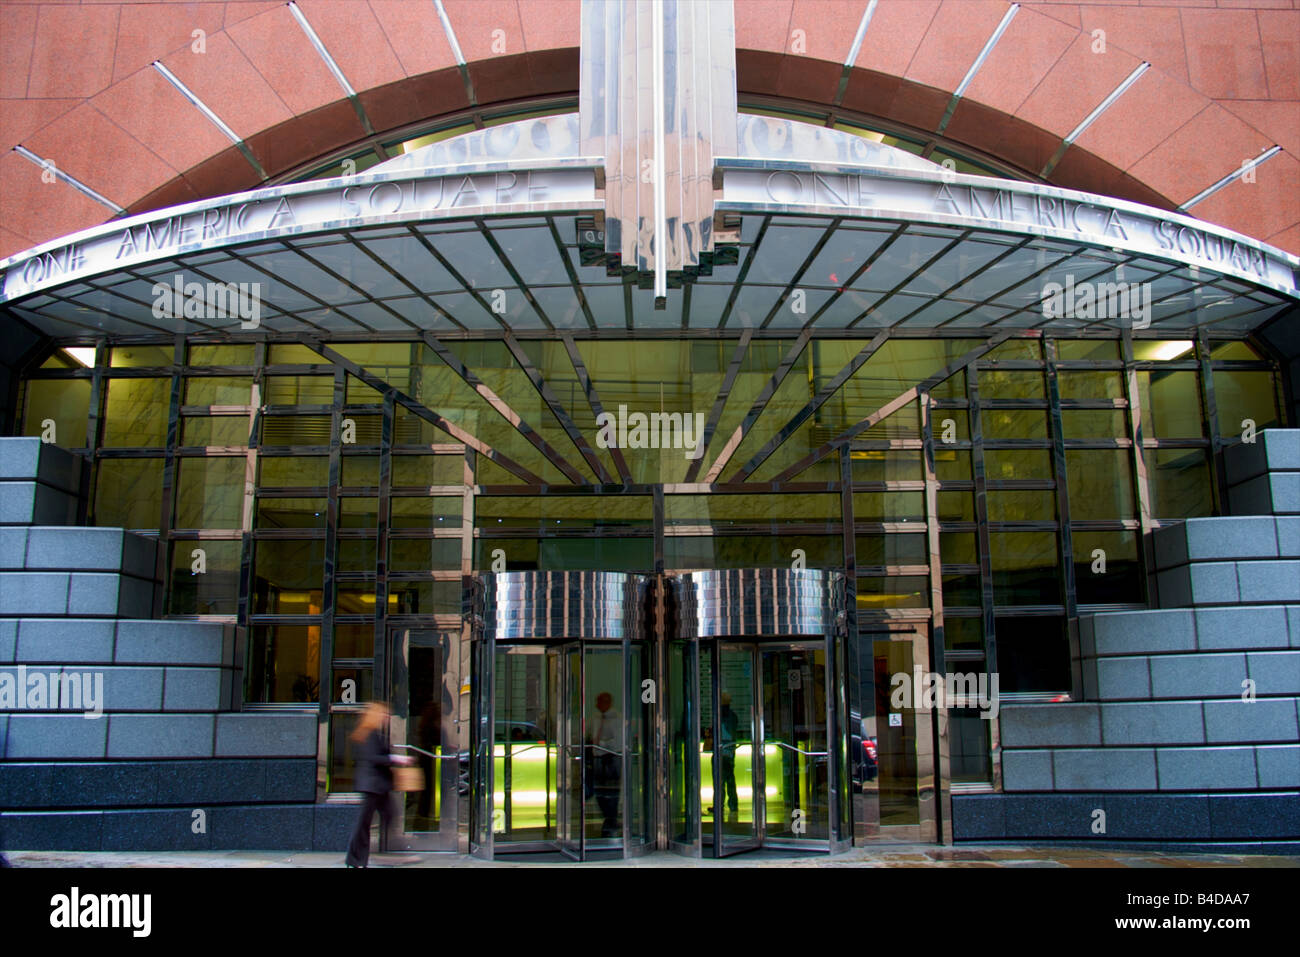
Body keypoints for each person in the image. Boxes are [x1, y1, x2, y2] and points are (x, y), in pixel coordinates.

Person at [345, 701, 413, 868]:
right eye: (384, 715)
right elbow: (374, 758)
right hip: (372, 786)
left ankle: (363, 858)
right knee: (365, 823)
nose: (386, 718)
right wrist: (397, 759)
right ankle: (356, 859)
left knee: (387, 817)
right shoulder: (370, 734)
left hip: (377, 785)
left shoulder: (373, 733)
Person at [589, 691, 622, 838]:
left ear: (606, 702)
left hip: (611, 759)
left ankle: (611, 820)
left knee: (611, 792)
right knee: (600, 792)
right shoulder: (596, 717)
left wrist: (600, 744)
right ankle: (609, 819)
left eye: (599, 701)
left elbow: (617, 742)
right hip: (598, 758)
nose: (596, 704)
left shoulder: (616, 718)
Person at [718, 691, 740, 818]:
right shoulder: (733, 716)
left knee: (720, 780)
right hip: (730, 751)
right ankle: (732, 804)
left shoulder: (719, 715)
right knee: (730, 779)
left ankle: (720, 804)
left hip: (722, 750)